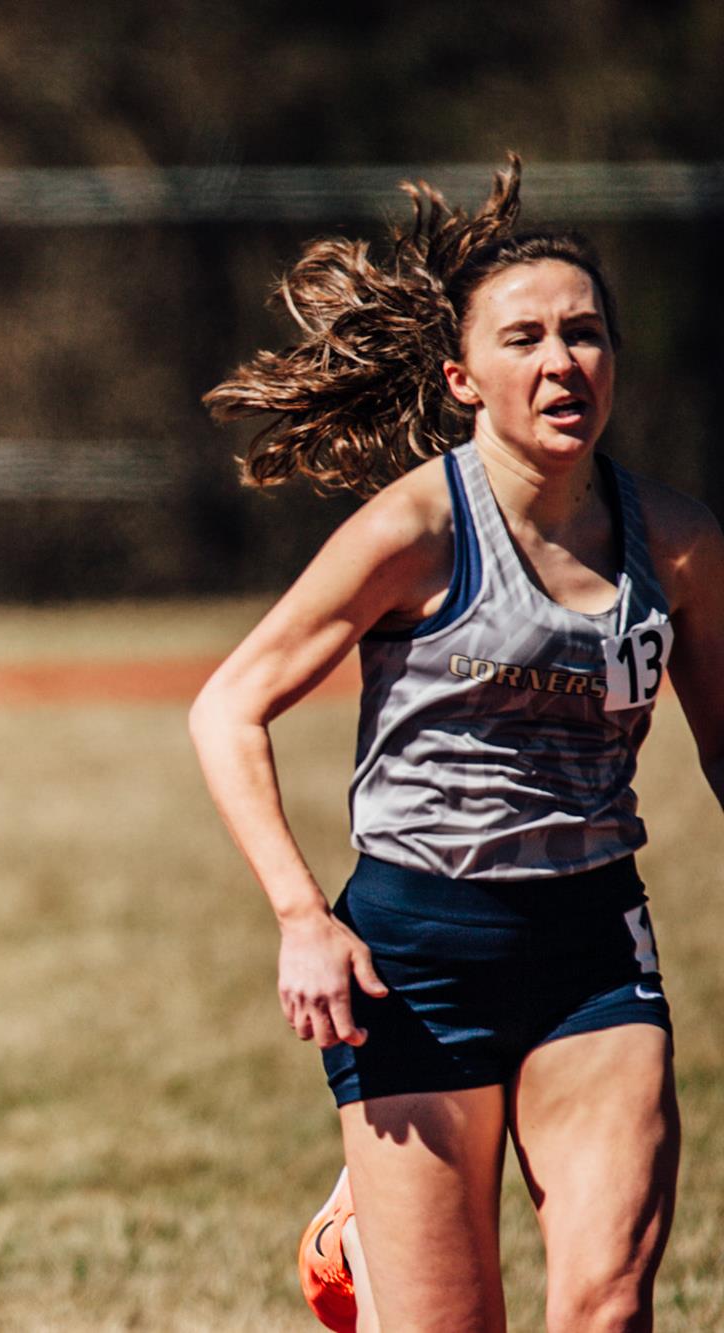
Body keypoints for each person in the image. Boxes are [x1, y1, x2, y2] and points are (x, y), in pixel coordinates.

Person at [189, 156, 724, 1332]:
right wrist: (298, 916)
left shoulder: (676, 543)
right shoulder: (414, 530)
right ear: (462, 377)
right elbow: (226, 707)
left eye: (582, 335)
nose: (558, 362)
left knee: (608, 1308)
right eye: (522, 338)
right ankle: (358, 1238)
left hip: (592, 945)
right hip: (415, 958)